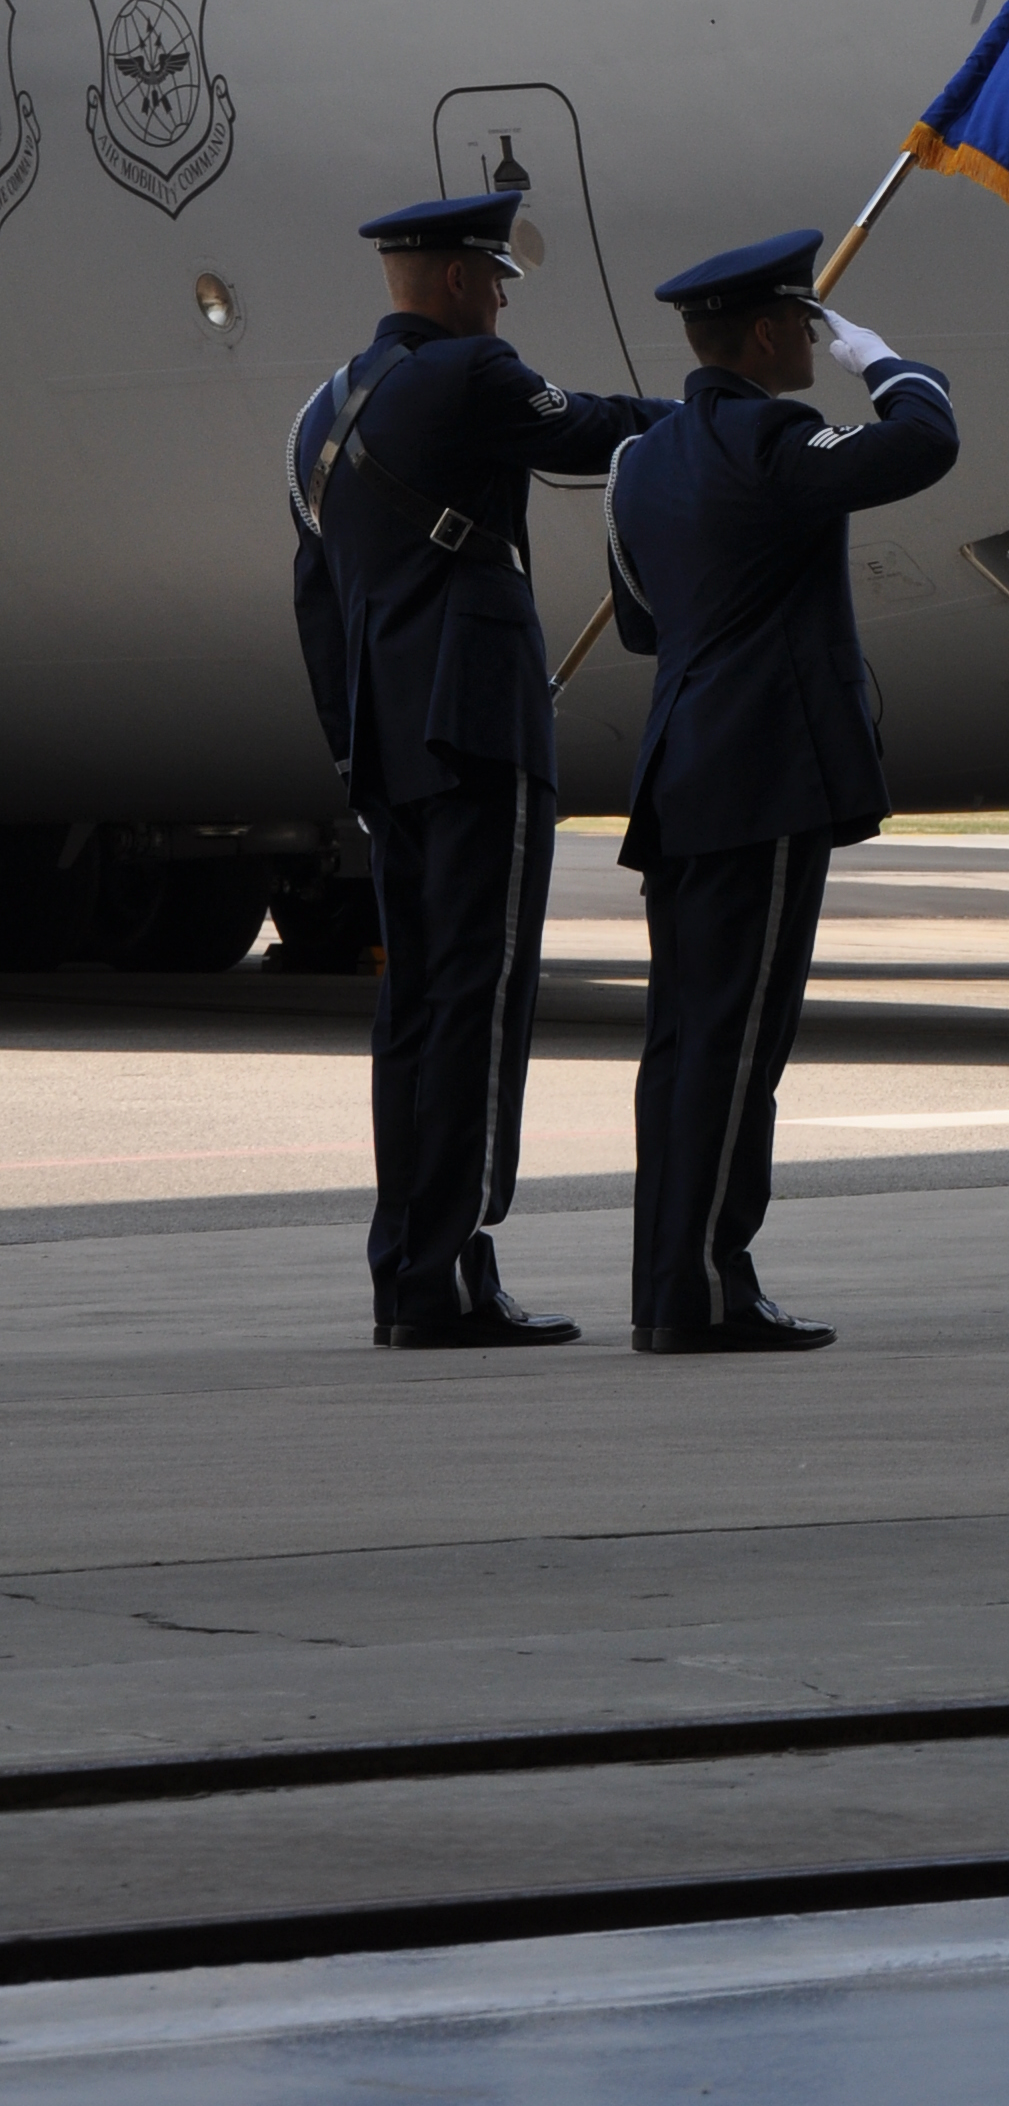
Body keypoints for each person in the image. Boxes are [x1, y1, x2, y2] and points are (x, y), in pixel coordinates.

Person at [289, 191, 674, 1348]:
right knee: (484, 995)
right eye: (496, 277)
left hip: (390, 742)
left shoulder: (320, 412)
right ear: (458, 281)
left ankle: (407, 1268)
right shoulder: (472, 374)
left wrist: (354, 743)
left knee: (414, 1005)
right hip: (479, 729)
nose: (503, 298)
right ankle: (452, 1265)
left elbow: (314, 601)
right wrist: (713, 417)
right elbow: (597, 428)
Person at [604, 232, 958, 1353]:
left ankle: (673, 1282)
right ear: (765, 334)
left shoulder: (643, 457)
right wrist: (891, 363)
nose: (816, 336)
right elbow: (921, 445)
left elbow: (641, 623)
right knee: (738, 1047)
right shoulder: (775, 434)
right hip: (759, 772)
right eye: (807, 323)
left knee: (686, 1042)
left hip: (681, 768)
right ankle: (708, 1286)